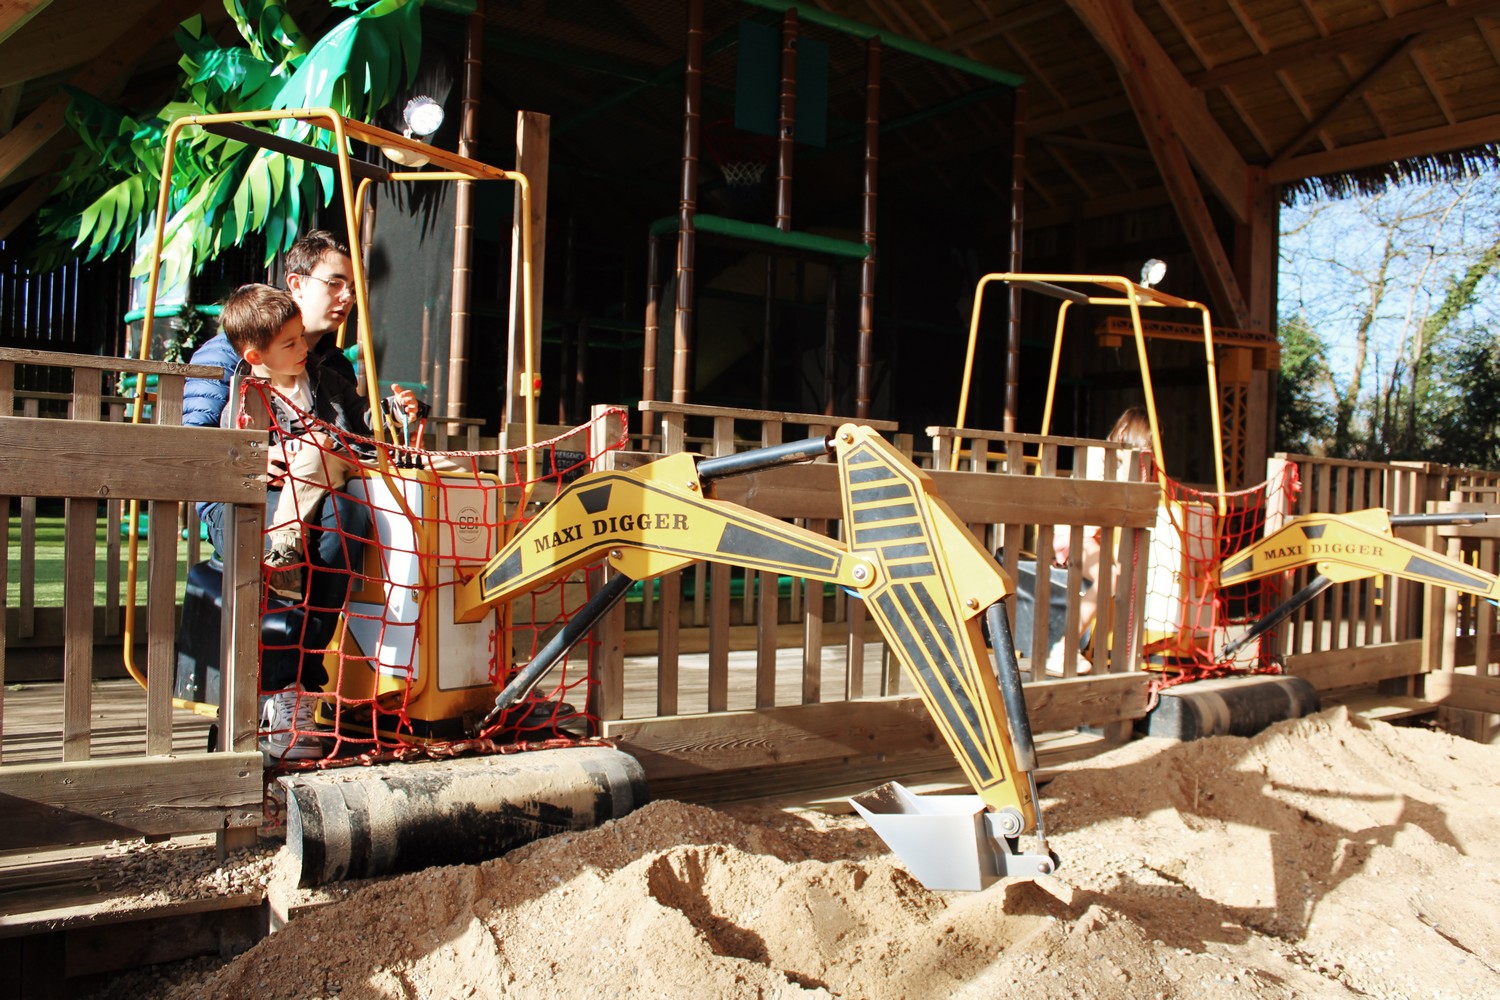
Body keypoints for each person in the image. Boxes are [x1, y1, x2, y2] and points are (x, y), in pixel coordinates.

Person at [214, 283, 419, 760]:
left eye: (301, 338)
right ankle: (290, 685)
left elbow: (366, 427)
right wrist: (258, 457)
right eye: (290, 344)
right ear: (256, 355)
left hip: (329, 487)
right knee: (326, 486)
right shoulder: (248, 398)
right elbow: (232, 455)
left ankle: (298, 679)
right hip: (270, 498)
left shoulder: (324, 382)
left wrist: (398, 411)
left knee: (341, 495)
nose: (303, 348)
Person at [1048, 405, 1153, 674]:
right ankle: (1064, 648)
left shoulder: (1130, 464)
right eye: (1145, 443)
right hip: (1075, 533)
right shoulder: (1100, 456)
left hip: (1097, 535)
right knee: (1111, 577)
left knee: (1125, 574)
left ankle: (1107, 645)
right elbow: (1098, 501)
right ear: (1124, 433)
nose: (1147, 452)